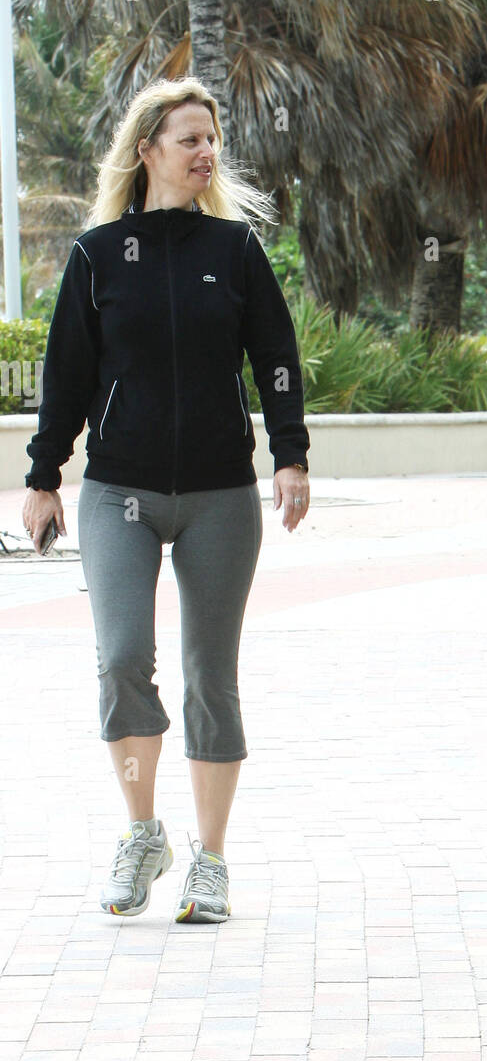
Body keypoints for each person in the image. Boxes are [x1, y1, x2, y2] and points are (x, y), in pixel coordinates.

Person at [22, 77, 310, 924]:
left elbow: (276, 358)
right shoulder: (98, 255)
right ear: (147, 149)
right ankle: (143, 832)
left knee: (208, 676)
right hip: (119, 492)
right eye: (189, 138)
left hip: (221, 493)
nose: (205, 152)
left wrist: (289, 457)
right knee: (119, 660)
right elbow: (66, 377)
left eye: (212, 138)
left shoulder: (237, 248)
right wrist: (44, 478)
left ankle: (211, 860)